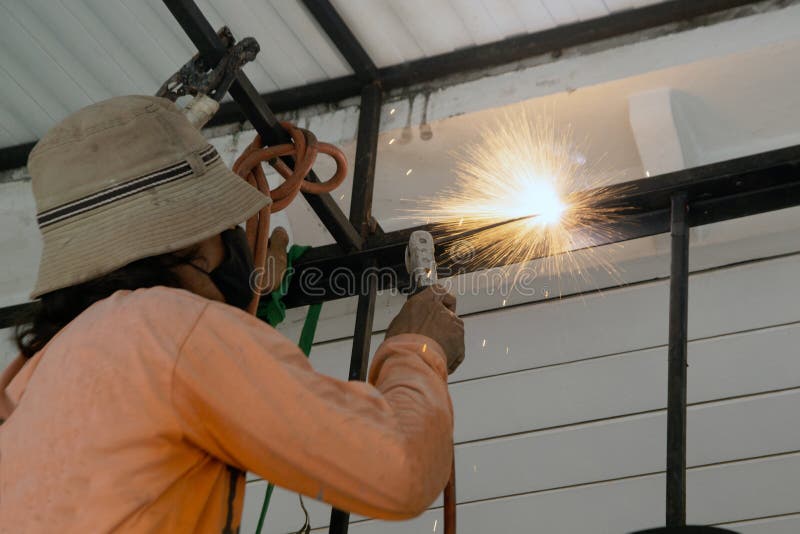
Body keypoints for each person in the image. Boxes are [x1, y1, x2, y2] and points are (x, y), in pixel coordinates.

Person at [0, 96, 465, 532]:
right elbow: (396, 468)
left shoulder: (27, 382)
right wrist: (418, 351)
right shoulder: (163, 325)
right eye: (226, 225)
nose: (240, 240)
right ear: (190, 242)